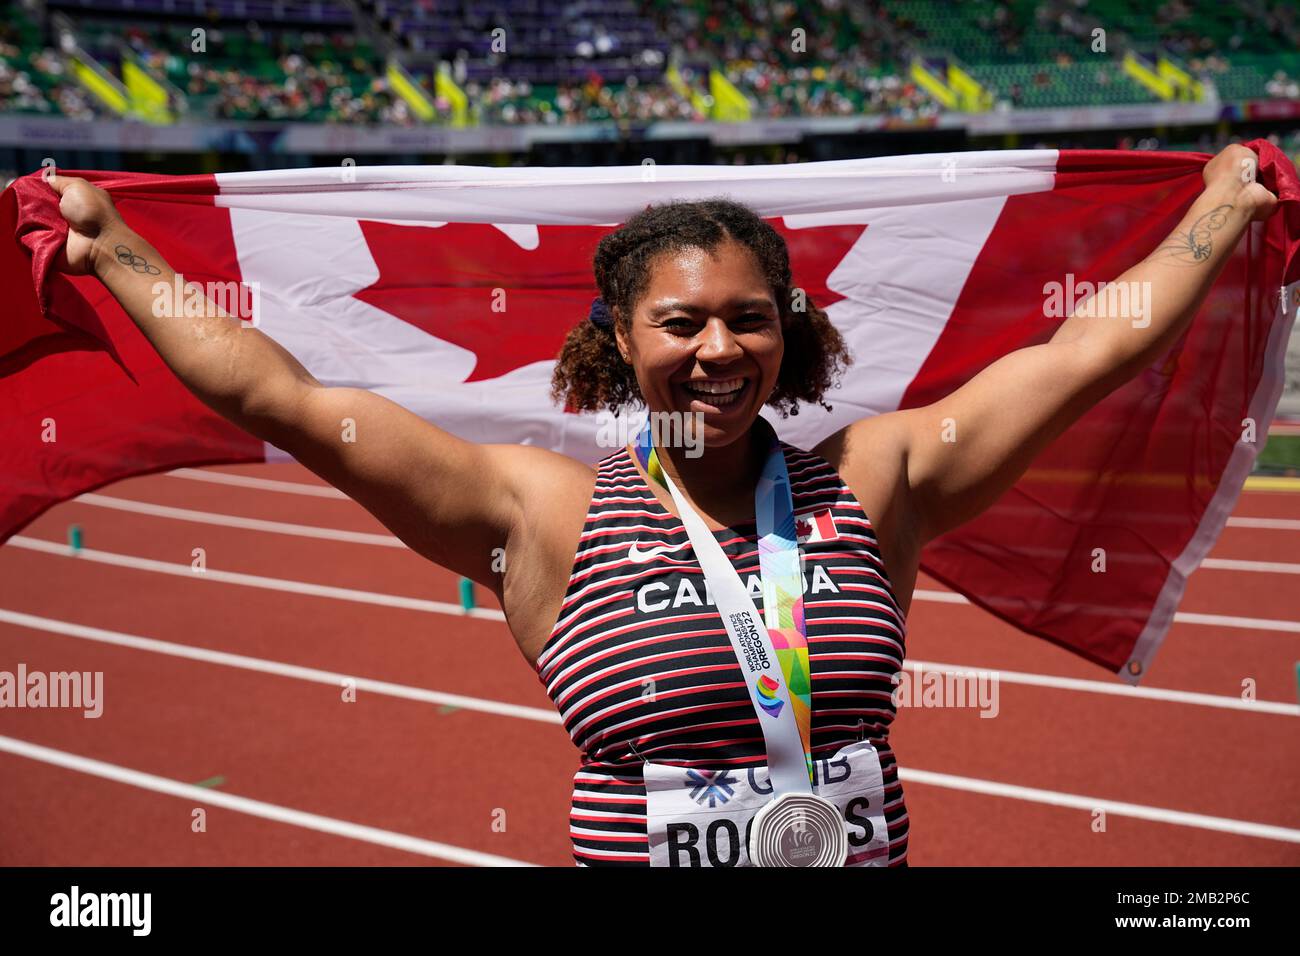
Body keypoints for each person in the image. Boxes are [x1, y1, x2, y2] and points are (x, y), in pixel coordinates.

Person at [46, 143, 1277, 866]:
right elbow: (289, 398)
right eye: (679, 323)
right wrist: (115, 251)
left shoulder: (874, 481)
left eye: (748, 318)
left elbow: (1080, 354)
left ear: (788, 336)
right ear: (618, 342)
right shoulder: (540, 514)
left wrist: (1226, 202)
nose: (718, 349)